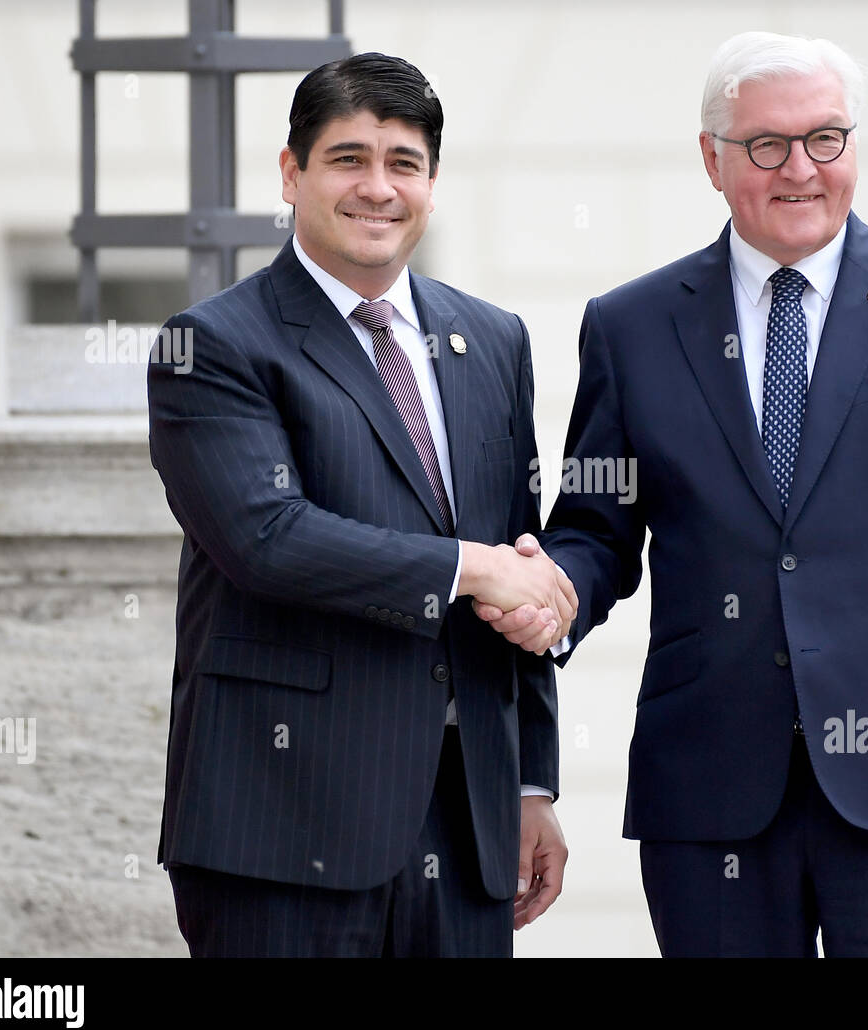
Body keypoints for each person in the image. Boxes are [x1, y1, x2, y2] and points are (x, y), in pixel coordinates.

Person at [477, 30, 868, 957]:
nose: (800, 168)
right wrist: (546, 595)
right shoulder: (631, 325)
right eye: (766, 145)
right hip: (710, 788)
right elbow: (598, 530)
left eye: (825, 138)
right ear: (712, 160)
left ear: (853, 147)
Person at [147, 51, 576, 958]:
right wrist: (470, 567)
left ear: (430, 182)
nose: (377, 187)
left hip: (466, 833)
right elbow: (267, 538)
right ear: (292, 172)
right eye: (348, 159)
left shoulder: (494, 341)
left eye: (404, 162)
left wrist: (532, 782)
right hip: (282, 825)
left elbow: (519, 561)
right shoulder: (213, 344)